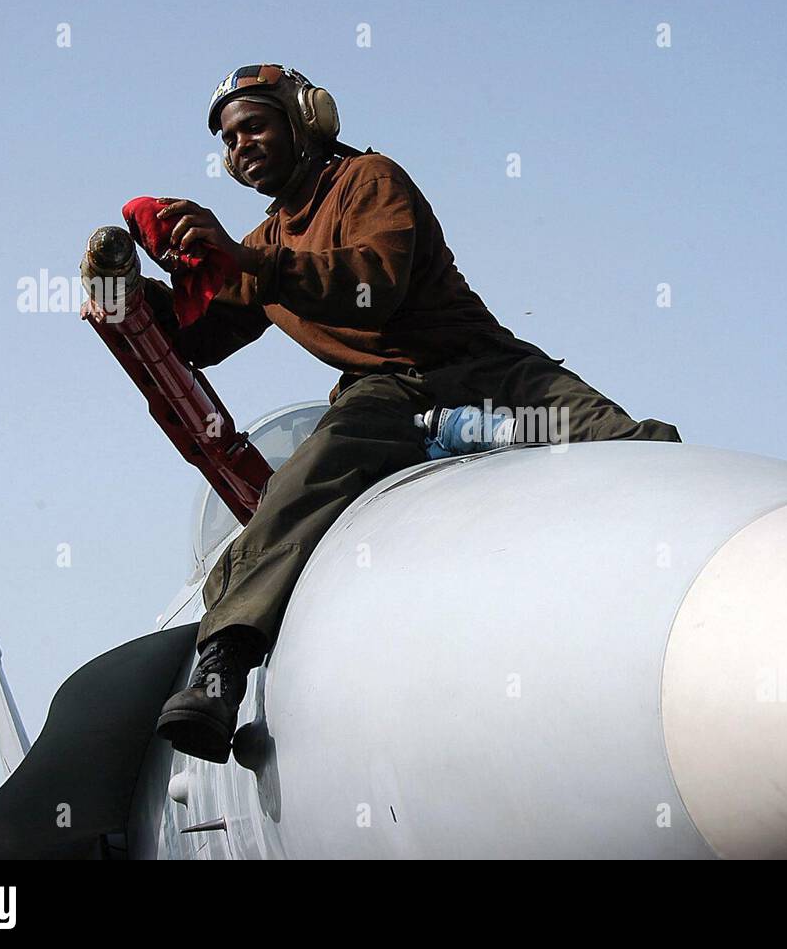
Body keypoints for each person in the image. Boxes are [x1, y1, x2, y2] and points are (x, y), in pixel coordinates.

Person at [152, 63, 680, 763]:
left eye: (254, 124)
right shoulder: (263, 244)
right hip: (385, 393)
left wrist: (245, 258)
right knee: (298, 489)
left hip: (485, 364)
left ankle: (682, 588)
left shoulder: (369, 179)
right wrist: (137, 292)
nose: (241, 144)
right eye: (229, 137)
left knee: (631, 447)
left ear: (305, 118)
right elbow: (201, 344)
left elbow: (374, 283)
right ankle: (221, 669)